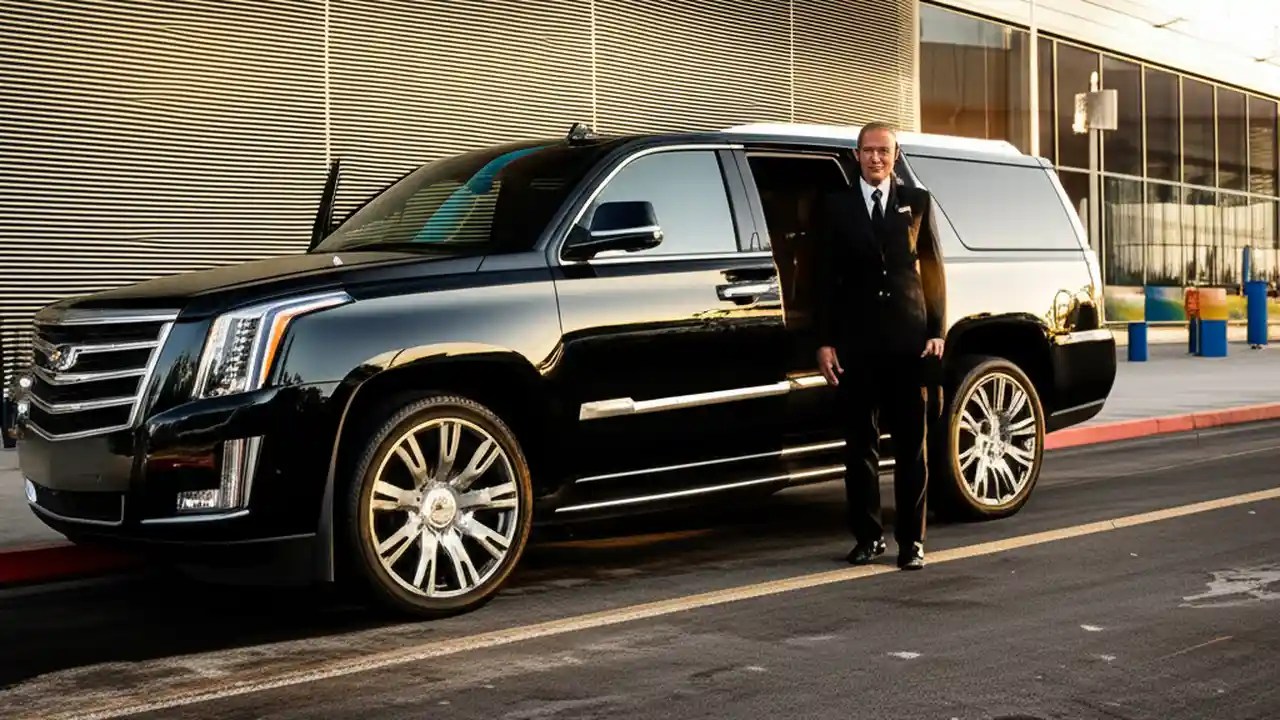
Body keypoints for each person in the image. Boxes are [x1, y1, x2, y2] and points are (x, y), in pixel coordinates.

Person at [811, 121, 947, 571]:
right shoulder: (835, 206)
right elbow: (824, 279)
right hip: (857, 344)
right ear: (857, 155)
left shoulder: (918, 202)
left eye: (883, 151)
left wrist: (937, 330)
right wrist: (825, 341)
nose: (875, 158)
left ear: (896, 154)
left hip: (910, 343)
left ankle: (913, 542)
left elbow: (932, 270)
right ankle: (868, 537)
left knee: (912, 448)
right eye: (868, 151)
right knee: (860, 447)